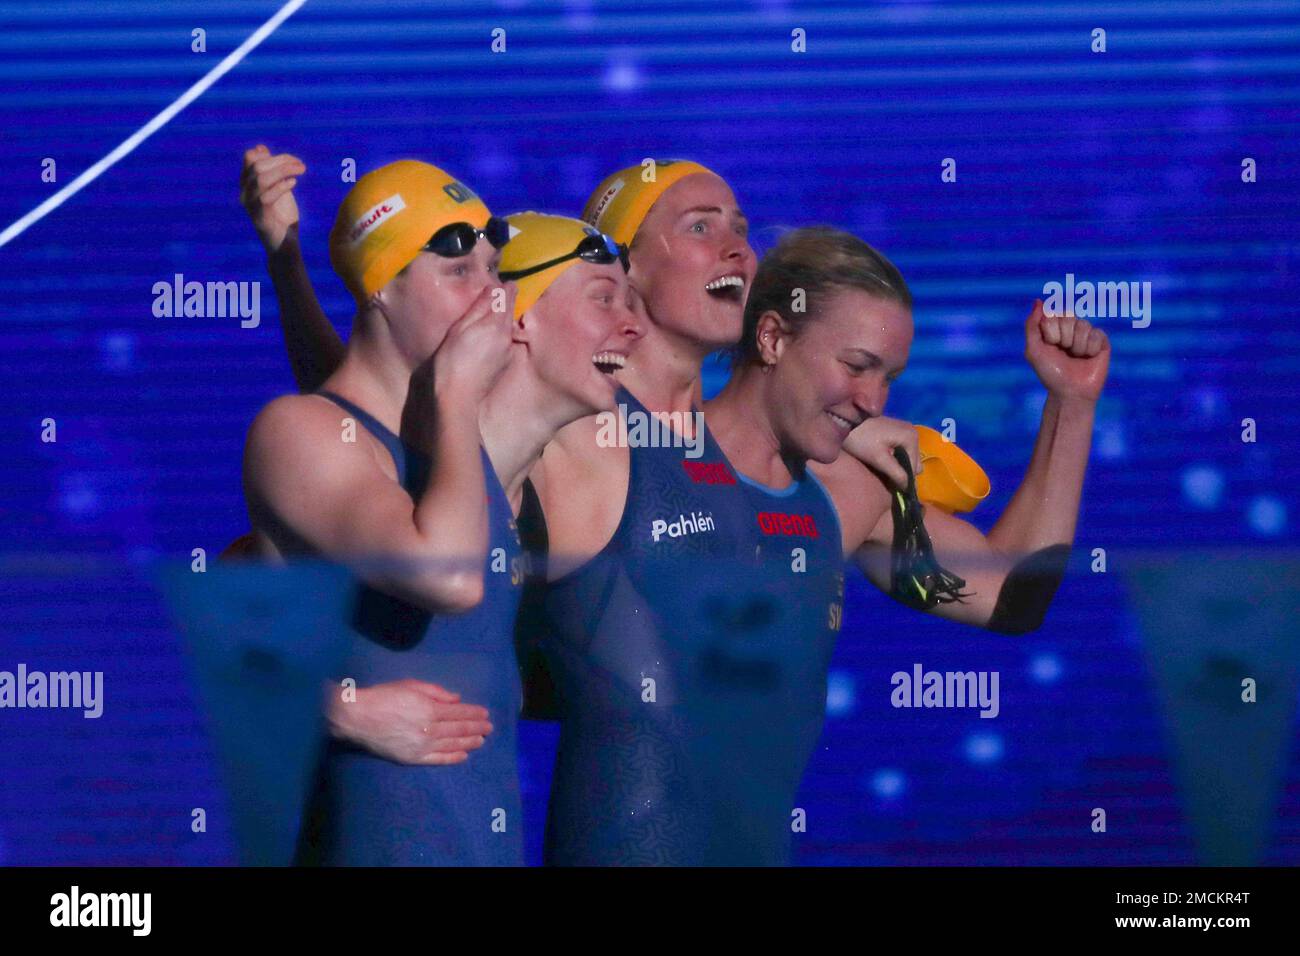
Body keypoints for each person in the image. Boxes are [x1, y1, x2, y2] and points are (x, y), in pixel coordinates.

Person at [240, 153, 642, 865]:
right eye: (459, 273)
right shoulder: (299, 430)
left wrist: (288, 262)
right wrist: (343, 708)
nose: (491, 297)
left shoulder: (442, 462)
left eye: (494, 273)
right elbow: (447, 578)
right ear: (380, 290)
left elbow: (376, 427)